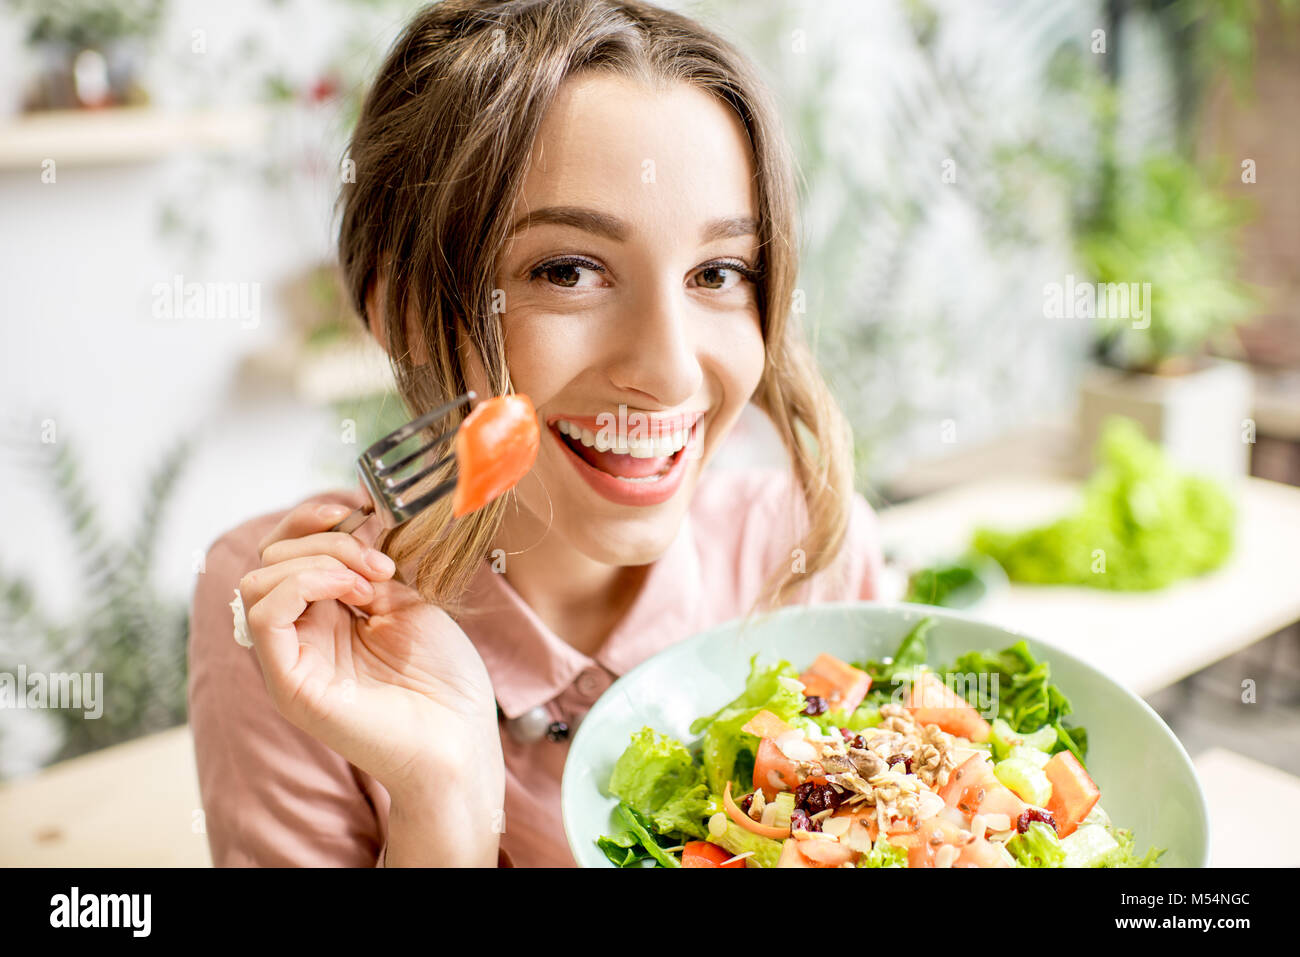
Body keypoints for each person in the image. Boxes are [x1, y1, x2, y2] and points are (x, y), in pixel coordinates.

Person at [188, 0, 885, 867]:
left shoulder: (807, 555)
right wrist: (444, 797)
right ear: (402, 313)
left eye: (718, 272)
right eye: (569, 270)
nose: (668, 371)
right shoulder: (296, 622)